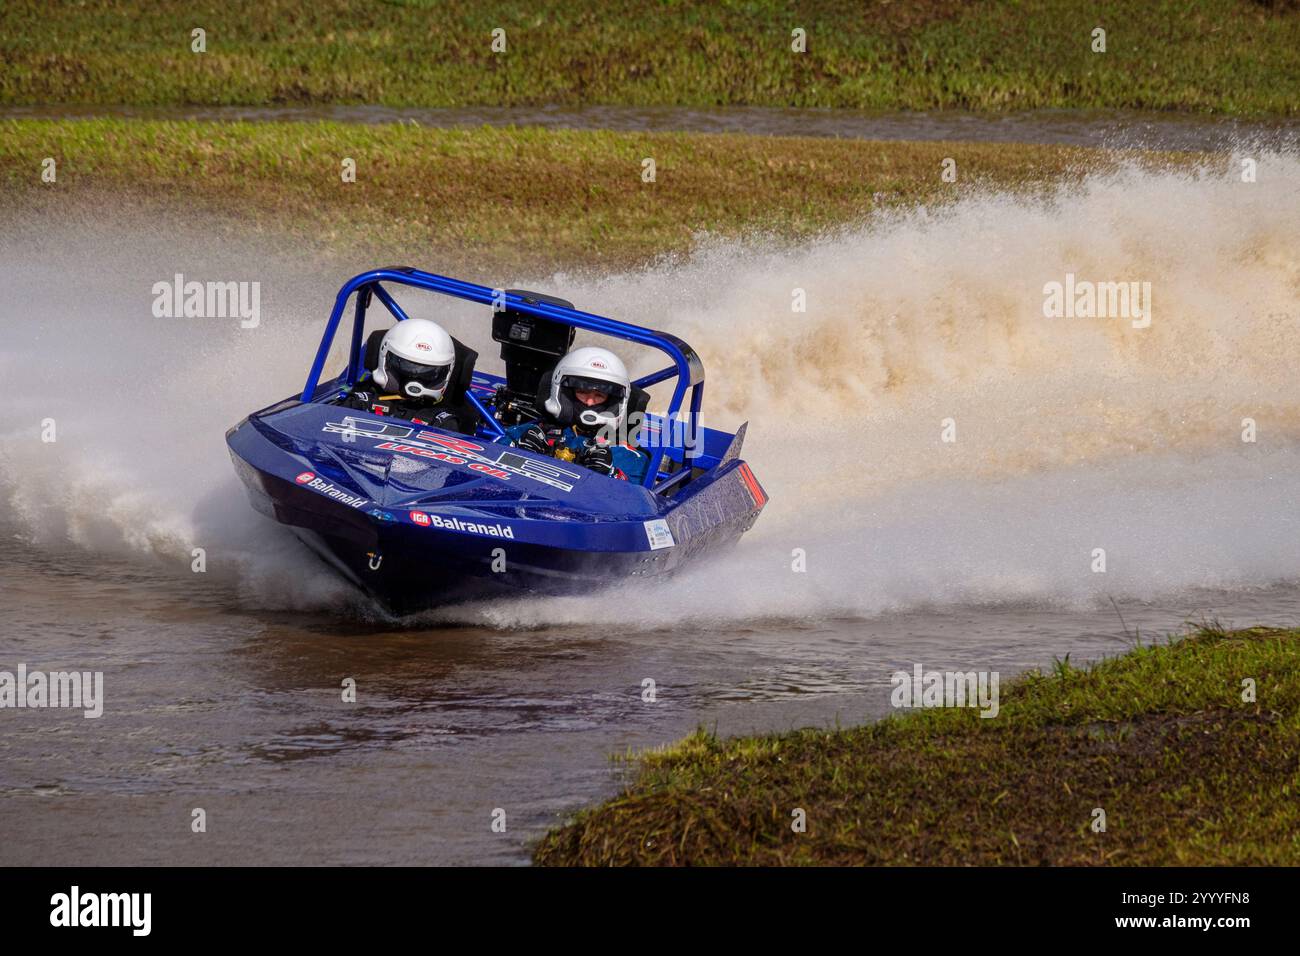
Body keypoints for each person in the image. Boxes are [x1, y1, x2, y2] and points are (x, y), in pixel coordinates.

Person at [504, 346, 650, 482]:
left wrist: (612, 475)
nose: (590, 402)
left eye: (599, 395)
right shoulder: (537, 432)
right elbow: (487, 455)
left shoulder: (626, 455)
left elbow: (639, 496)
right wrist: (515, 450)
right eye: (582, 392)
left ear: (613, 401)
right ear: (566, 393)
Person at [337, 318, 478, 434]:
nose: (415, 377)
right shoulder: (361, 402)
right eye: (407, 367)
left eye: (427, 372)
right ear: (385, 359)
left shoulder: (444, 422)